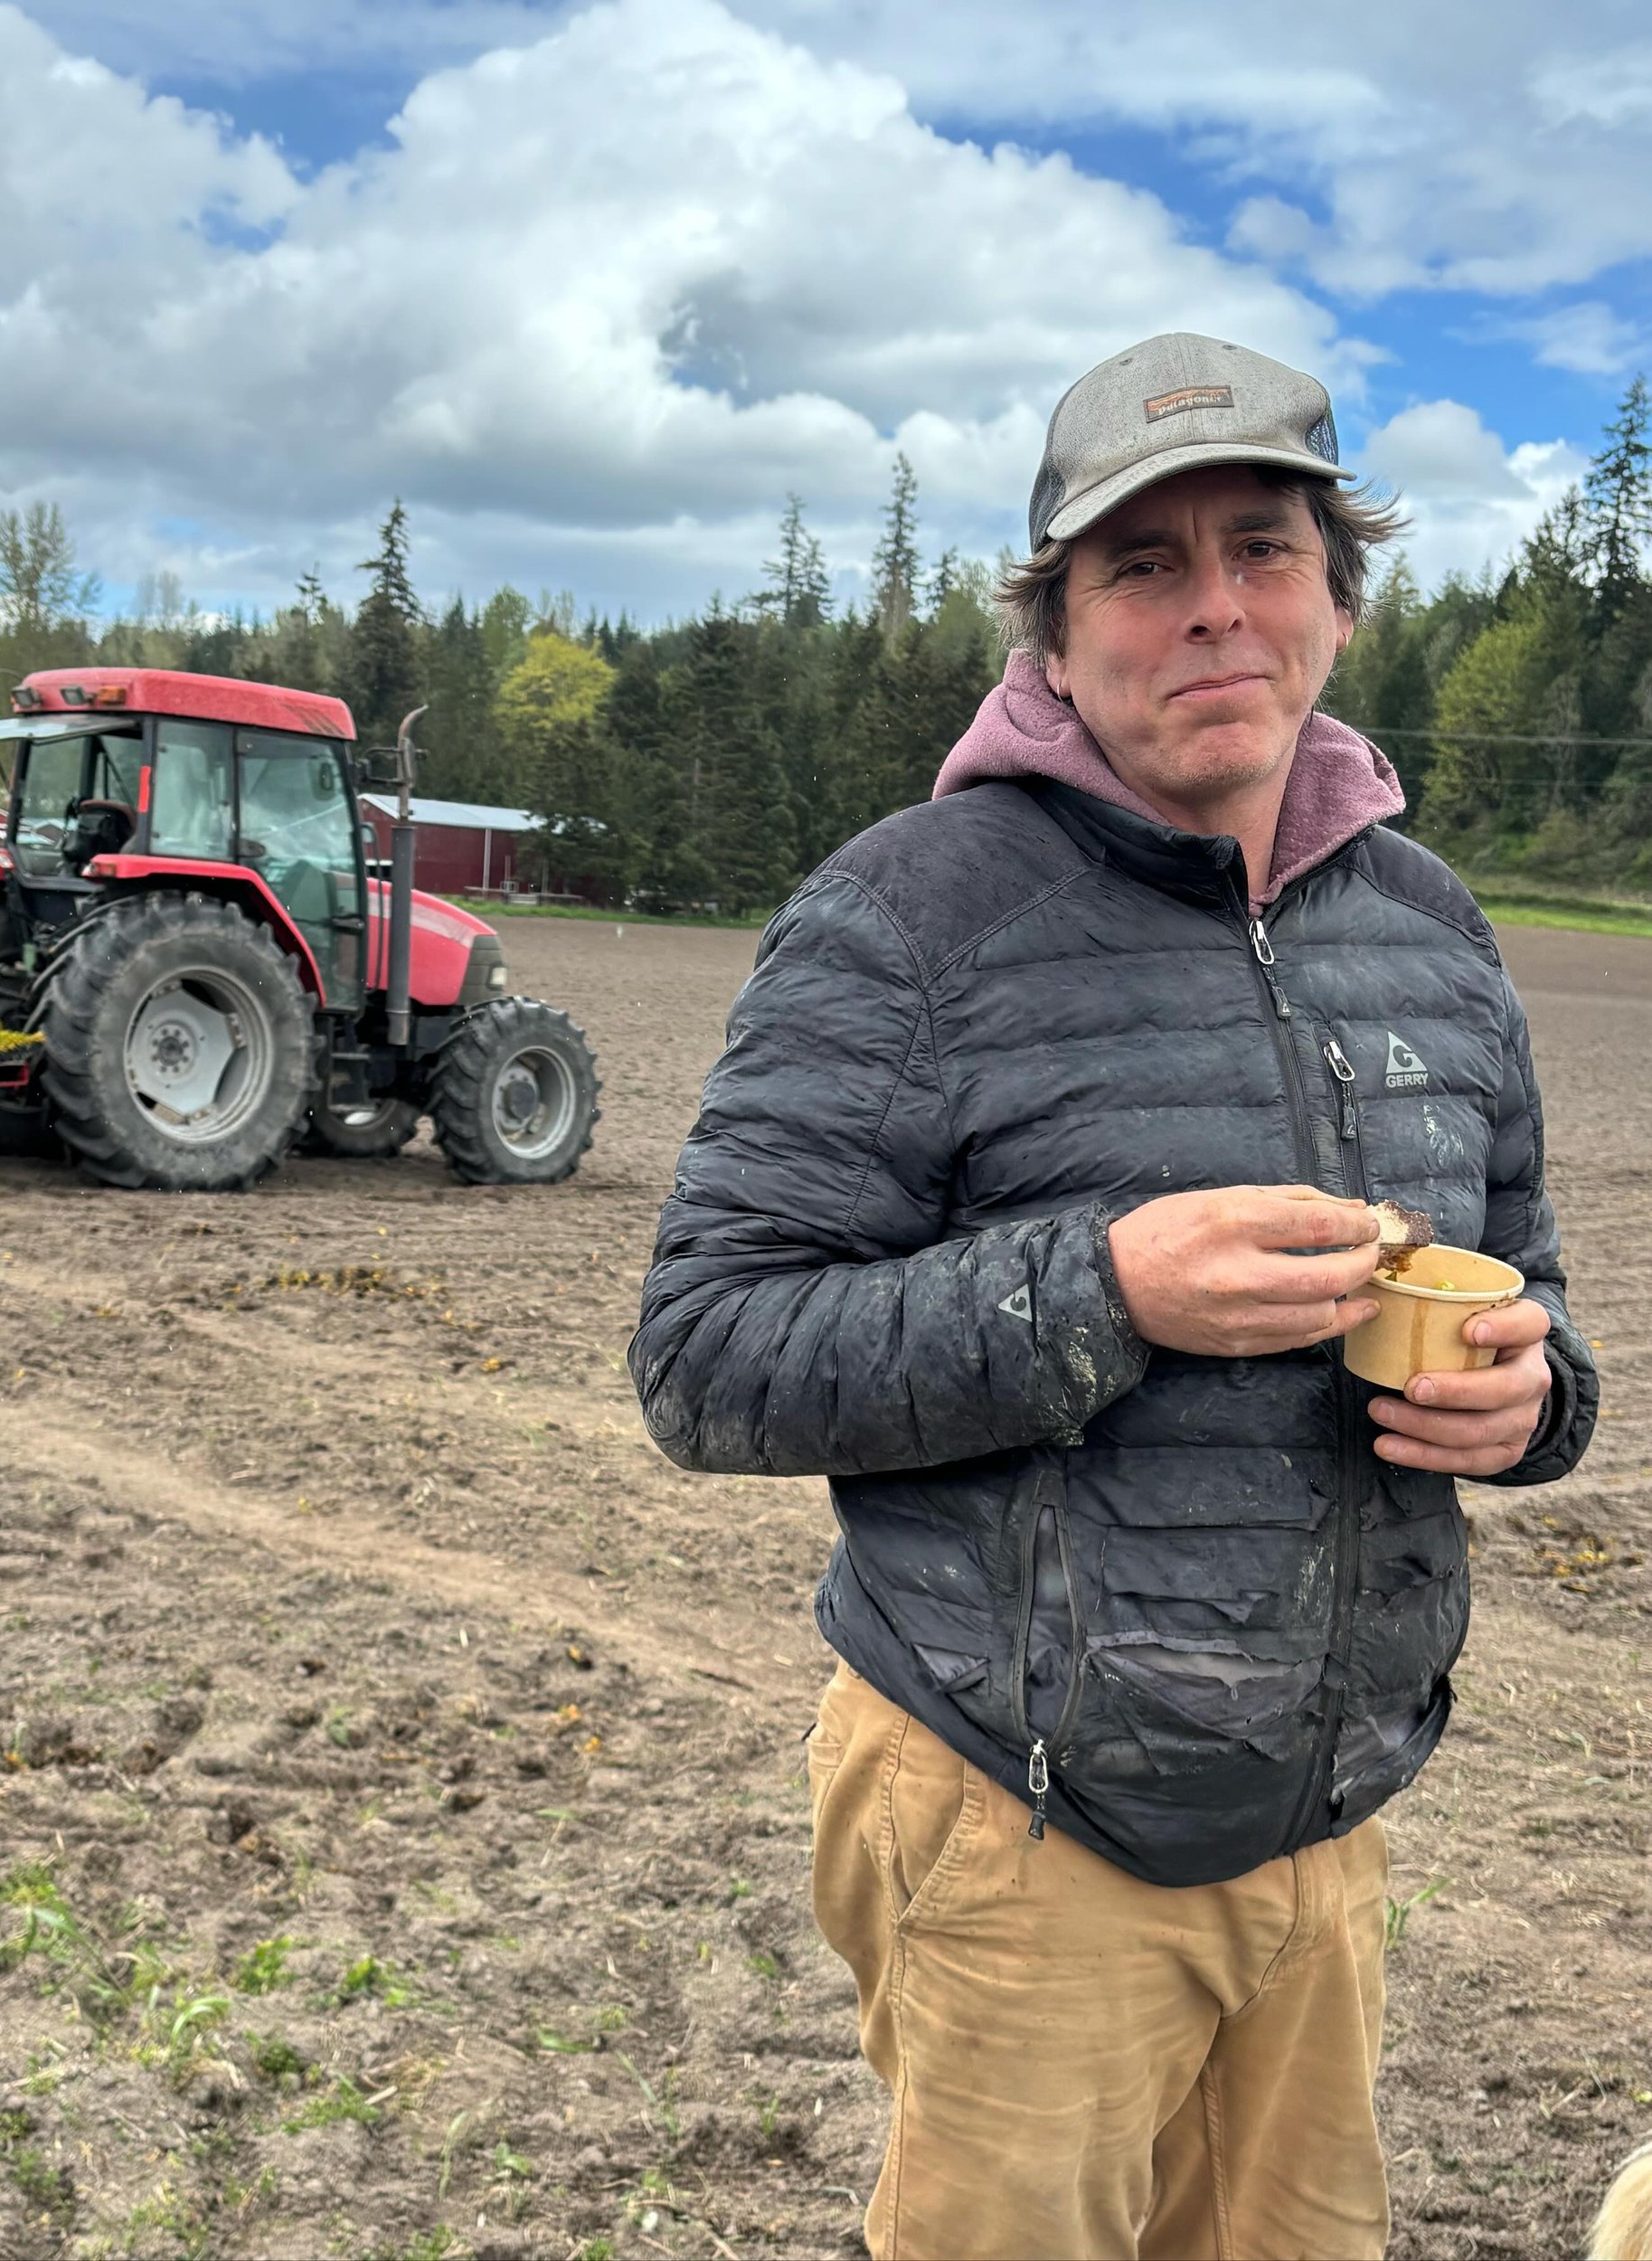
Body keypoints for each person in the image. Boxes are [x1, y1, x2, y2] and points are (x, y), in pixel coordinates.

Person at [630, 332, 1600, 2260]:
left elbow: (1533, 1295)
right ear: (1053, 636)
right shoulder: (910, 911)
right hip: (1019, 1812)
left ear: (1336, 595)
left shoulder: (1427, 928)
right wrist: (1102, 1288)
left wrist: (1531, 1399)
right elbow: (707, 1352)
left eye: (1259, 545)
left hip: (1320, 1822)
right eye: (1138, 566)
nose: (1212, 606)